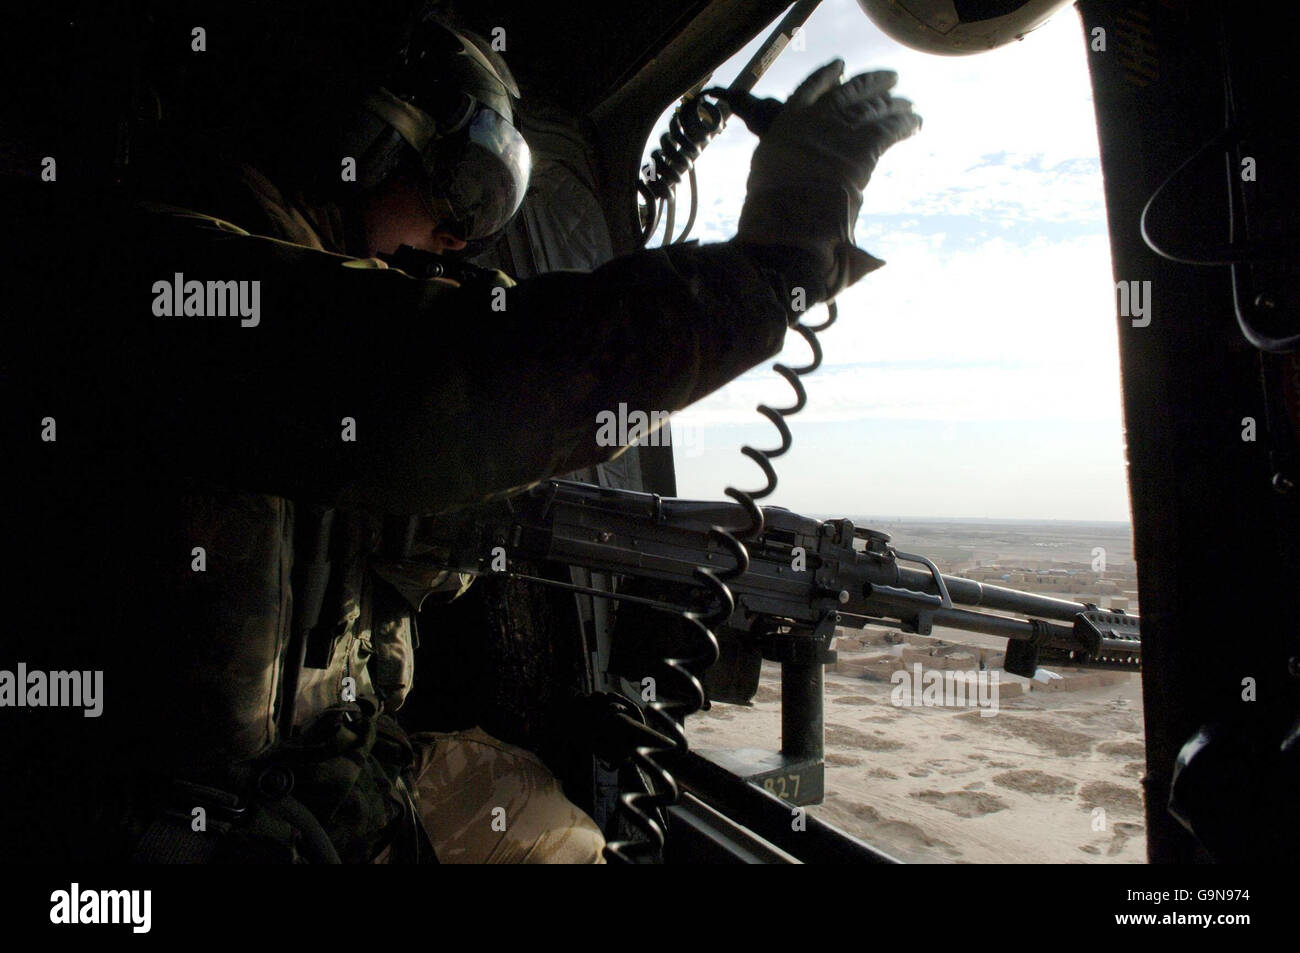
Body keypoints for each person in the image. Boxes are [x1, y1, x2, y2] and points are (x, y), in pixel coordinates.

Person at [4, 6, 919, 863]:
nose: (461, 234)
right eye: (464, 183)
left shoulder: (288, 337)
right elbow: (441, 383)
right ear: (358, 139)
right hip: (150, 828)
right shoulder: (162, 274)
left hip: (306, 781)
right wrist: (771, 271)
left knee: (555, 827)